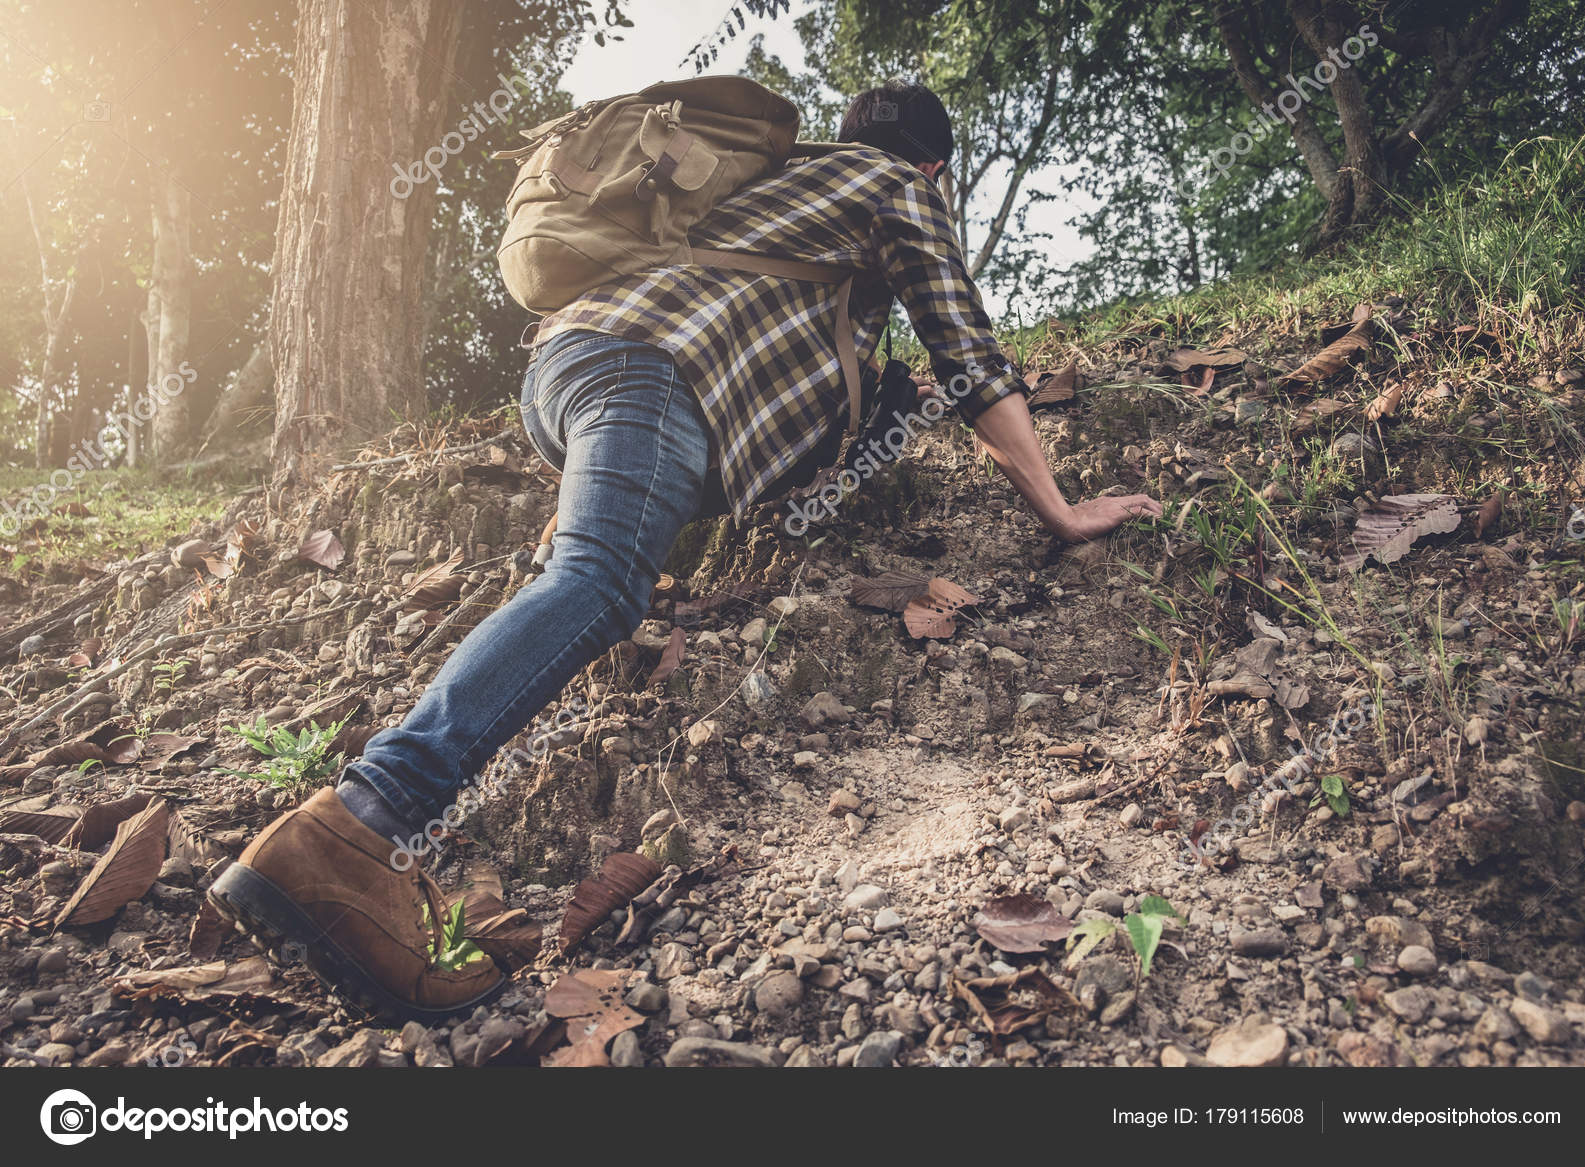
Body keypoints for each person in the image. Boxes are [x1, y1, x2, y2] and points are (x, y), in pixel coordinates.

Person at [207, 81, 1162, 1020]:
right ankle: (361, 822)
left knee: (626, 551)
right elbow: (970, 357)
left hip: (569, 364)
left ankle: (361, 830)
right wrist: (1062, 508)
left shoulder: (780, 180)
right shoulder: (898, 186)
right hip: (651, 371)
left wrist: (874, 406)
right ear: (936, 166)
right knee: (599, 581)